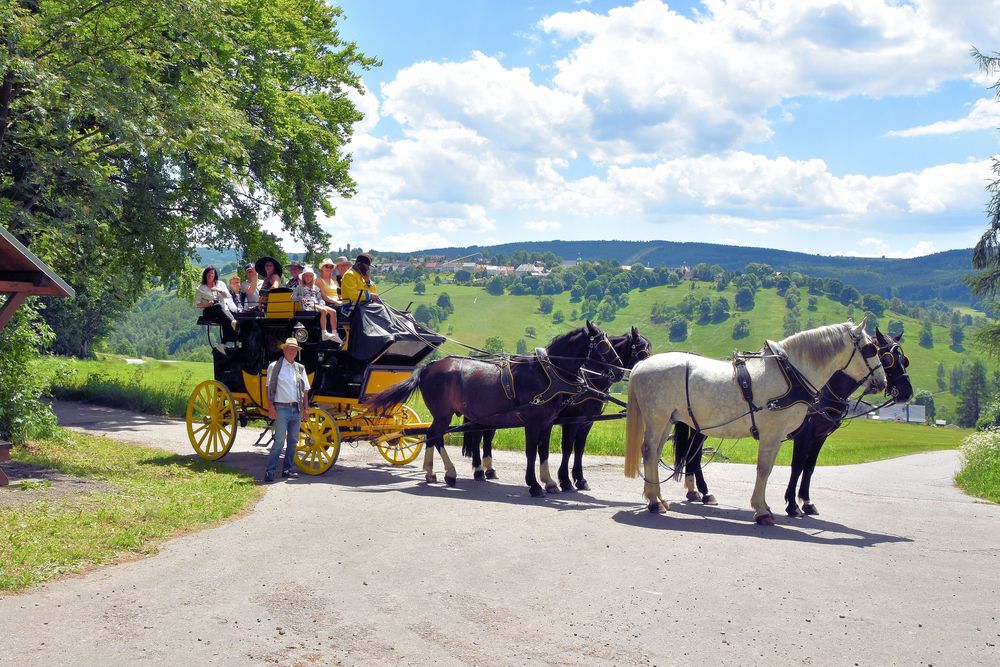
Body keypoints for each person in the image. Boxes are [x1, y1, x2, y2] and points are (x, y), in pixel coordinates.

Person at [264, 338, 311, 482]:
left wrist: (306, 408)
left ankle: (287, 470)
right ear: (284, 350)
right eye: (289, 349)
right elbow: (269, 388)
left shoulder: (300, 368)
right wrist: (271, 407)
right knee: (279, 441)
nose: (292, 351)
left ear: (297, 352)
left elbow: (305, 390)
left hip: (296, 409)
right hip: (281, 408)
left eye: (294, 349)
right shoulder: (274, 366)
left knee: (293, 441)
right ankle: (270, 471)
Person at [293, 266, 342, 344]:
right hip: (308, 304)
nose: (308, 278)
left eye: (310, 276)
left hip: (316, 303)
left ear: (312, 277)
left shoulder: (315, 288)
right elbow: (293, 297)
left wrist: (322, 303)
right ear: (303, 277)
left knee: (333, 311)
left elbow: (320, 298)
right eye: (306, 276)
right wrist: (300, 298)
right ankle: (324, 333)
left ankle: (335, 333)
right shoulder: (299, 287)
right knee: (324, 310)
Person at [194, 266, 237, 349]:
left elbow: (227, 296)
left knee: (225, 318)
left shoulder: (220, 284)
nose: (210, 275)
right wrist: (207, 304)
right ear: (205, 275)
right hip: (209, 311)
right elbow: (197, 304)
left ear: (215, 275)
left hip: (223, 310)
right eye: (208, 273)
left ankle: (224, 344)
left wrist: (218, 290)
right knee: (218, 306)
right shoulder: (200, 288)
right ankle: (234, 323)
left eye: (212, 273)